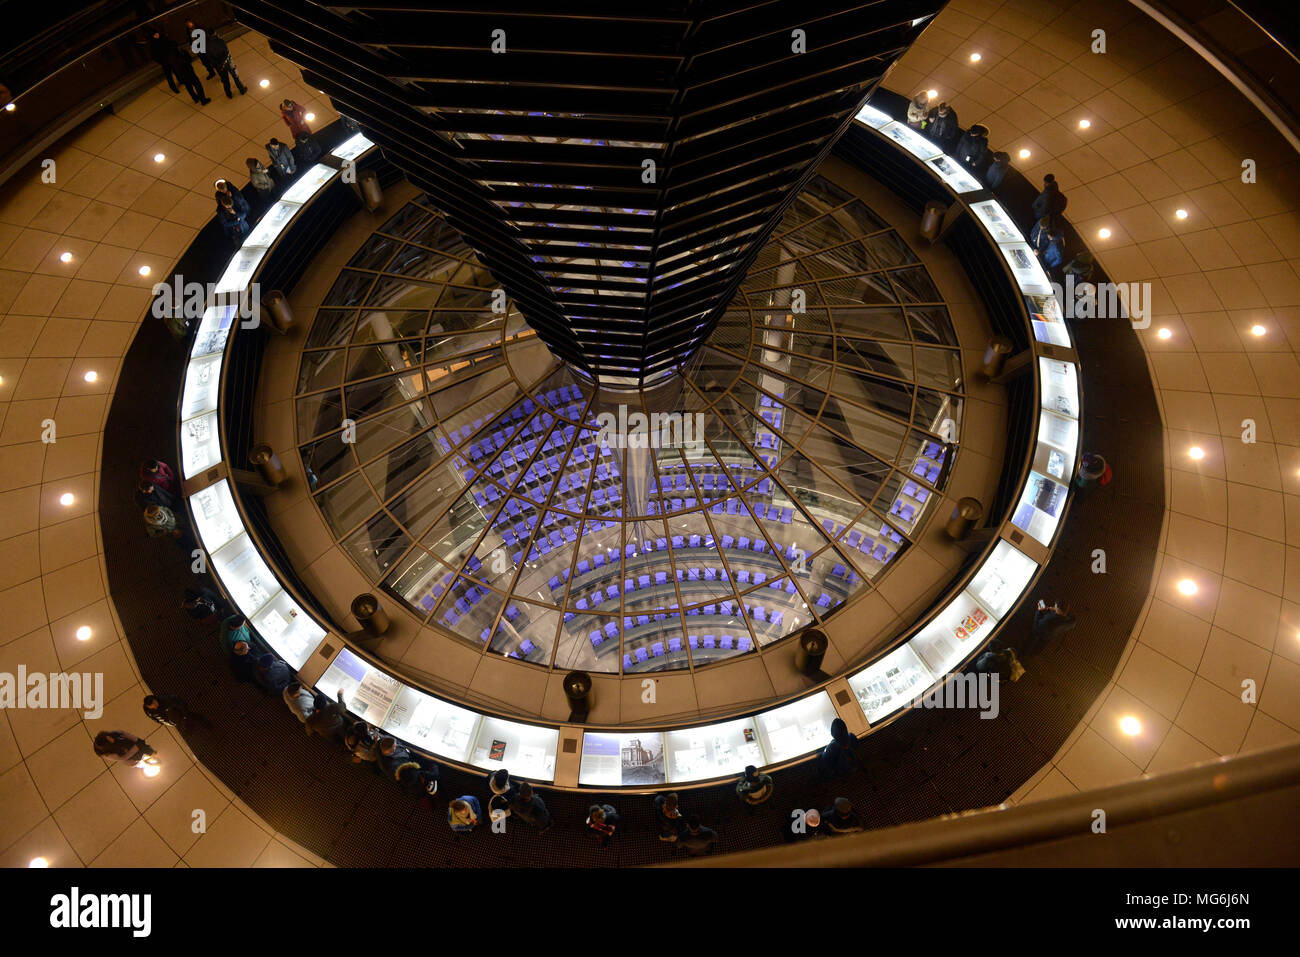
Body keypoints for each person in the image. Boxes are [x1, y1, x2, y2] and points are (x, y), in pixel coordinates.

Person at [186, 21, 247, 97]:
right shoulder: (220, 41)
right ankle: (242, 89)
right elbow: (226, 52)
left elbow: (210, 59)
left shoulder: (207, 46)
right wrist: (224, 61)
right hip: (228, 62)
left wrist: (218, 65)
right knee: (235, 77)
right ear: (214, 33)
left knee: (225, 81)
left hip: (220, 66)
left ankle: (228, 94)